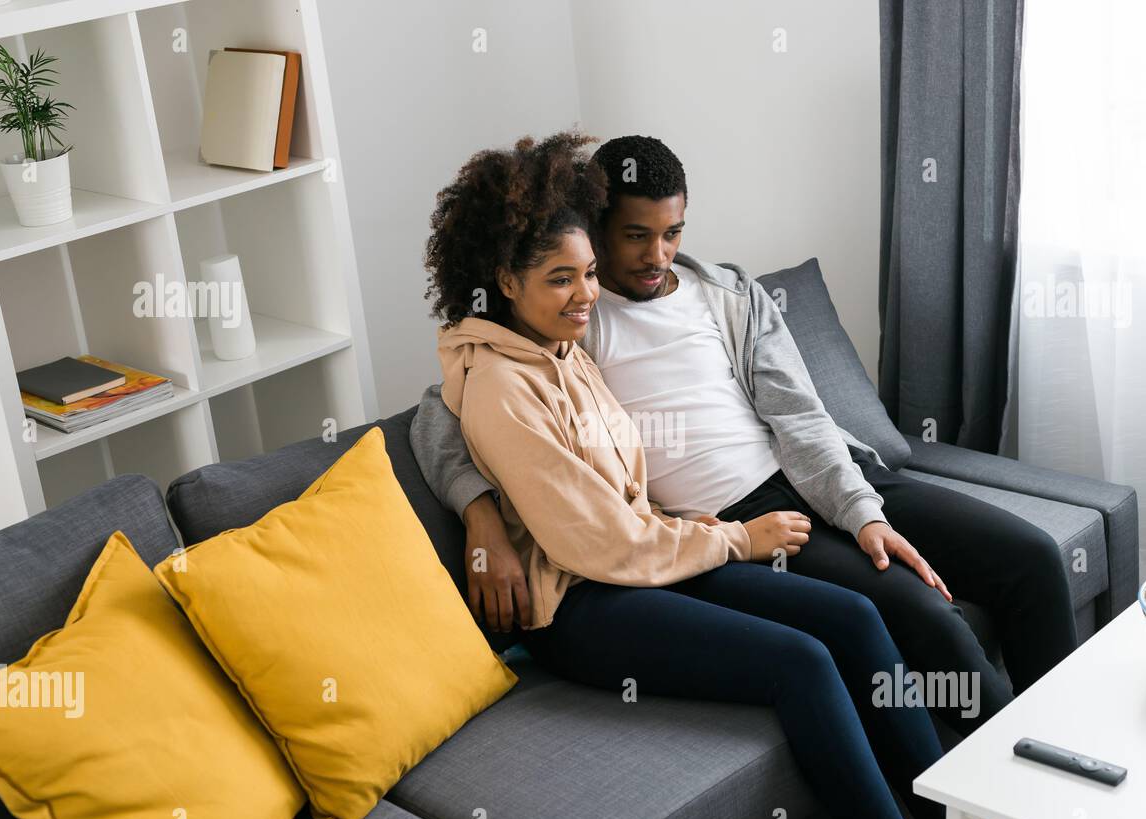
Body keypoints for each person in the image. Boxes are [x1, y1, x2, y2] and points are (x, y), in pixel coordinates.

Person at [413, 134, 1079, 736]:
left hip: (831, 471)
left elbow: (800, 416)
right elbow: (445, 404)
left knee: (1032, 557)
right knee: (928, 618)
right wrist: (480, 515)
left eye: (672, 232)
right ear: (595, 228)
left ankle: (1071, 747)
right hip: (746, 512)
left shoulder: (727, 294)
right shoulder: (571, 321)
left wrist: (861, 512)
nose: (657, 256)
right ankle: (1014, 801)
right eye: (635, 236)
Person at [424, 130, 952, 819]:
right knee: (798, 661)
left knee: (856, 615)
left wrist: (691, 527)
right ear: (505, 283)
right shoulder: (501, 385)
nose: (585, 297)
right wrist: (737, 539)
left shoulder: (559, 349)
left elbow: (622, 507)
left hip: (646, 556)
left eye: (586, 274)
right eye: (559, 280)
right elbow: (598, 545)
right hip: (584, 604)